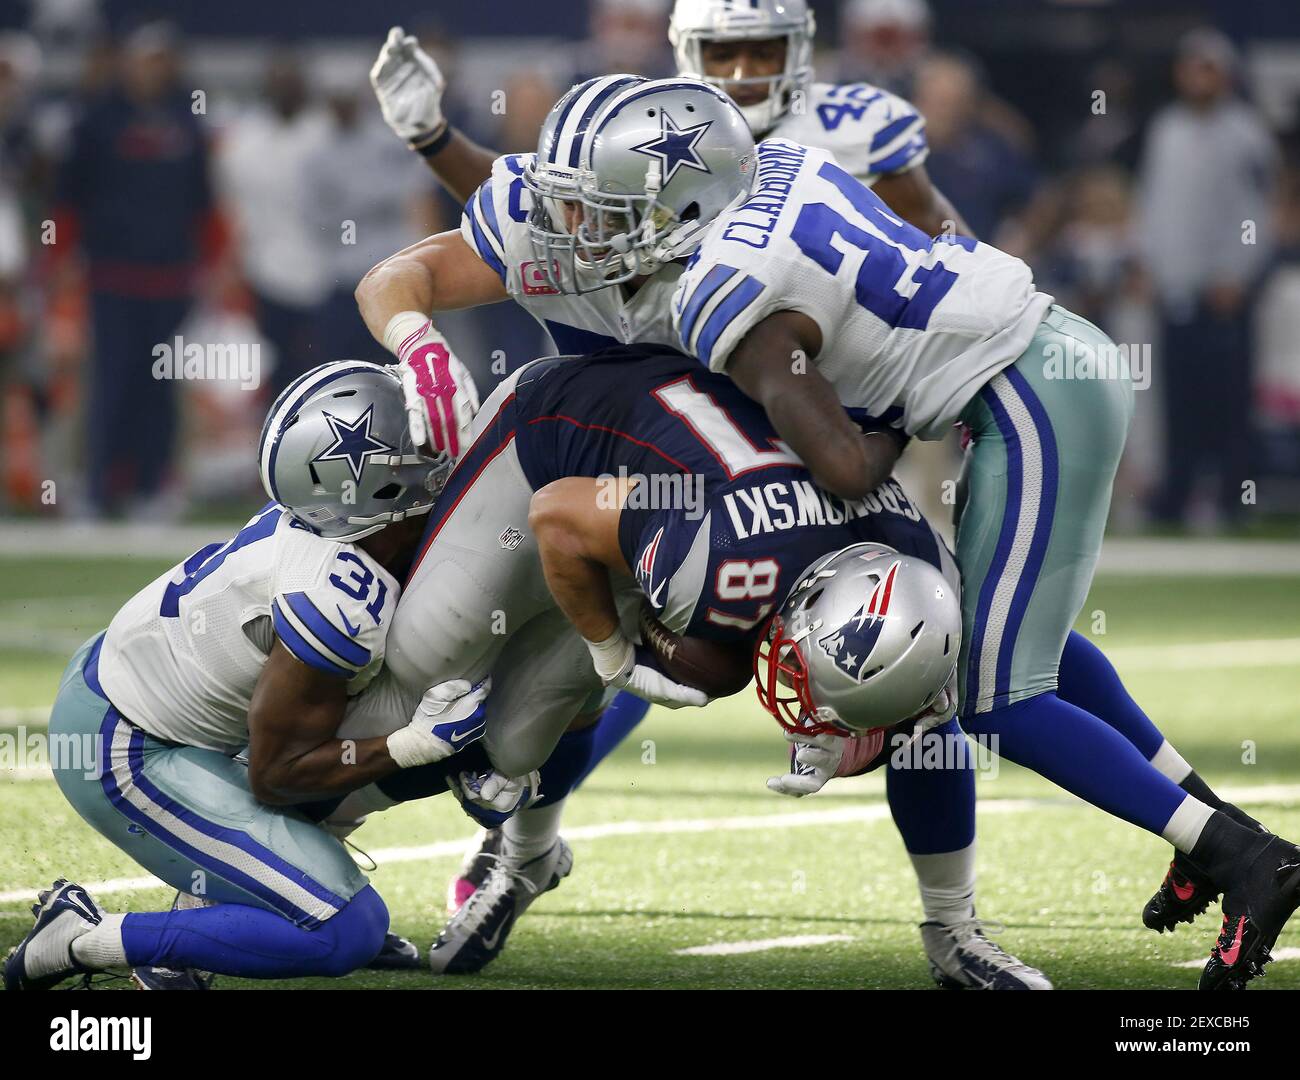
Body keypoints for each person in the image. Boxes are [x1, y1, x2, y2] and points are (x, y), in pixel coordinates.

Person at [358, 73, 1047, 988]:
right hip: (599, 456)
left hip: (748, 467)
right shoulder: (564, 224)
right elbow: (407, 272)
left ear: (680, 210)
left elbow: (897, 286)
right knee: (557, 679)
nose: (568, 229)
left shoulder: (744, 249)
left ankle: (955, 926)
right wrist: (416, 338)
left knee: (910, 674)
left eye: (598, 210)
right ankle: (523, 853)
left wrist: (887, 425)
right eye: (571, 203)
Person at [2, 362, 499, 989]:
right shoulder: (338, 596)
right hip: (128, 747)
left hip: (164, 701)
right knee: (344, 929)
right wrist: (415, 746)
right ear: (378, 489)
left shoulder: (341, 526)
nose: (443, 450)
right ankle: (83, 939)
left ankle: (249, 904)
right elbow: (278, 776)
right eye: (419, 449)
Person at [1136, 28, 1279, 528]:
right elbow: (1153, 205)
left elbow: (1259, 213)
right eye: (1190, 67)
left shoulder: (1246, 133)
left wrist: (1237, 274)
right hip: (1173, 291)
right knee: (1178, 400)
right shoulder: (1166, 129)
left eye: (1208, 68)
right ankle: (1174, 499)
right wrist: (1147, 261)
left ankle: (1234, 500)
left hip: (1224, 295)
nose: (1197, 77)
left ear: (1225, 74)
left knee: (1229, 401)